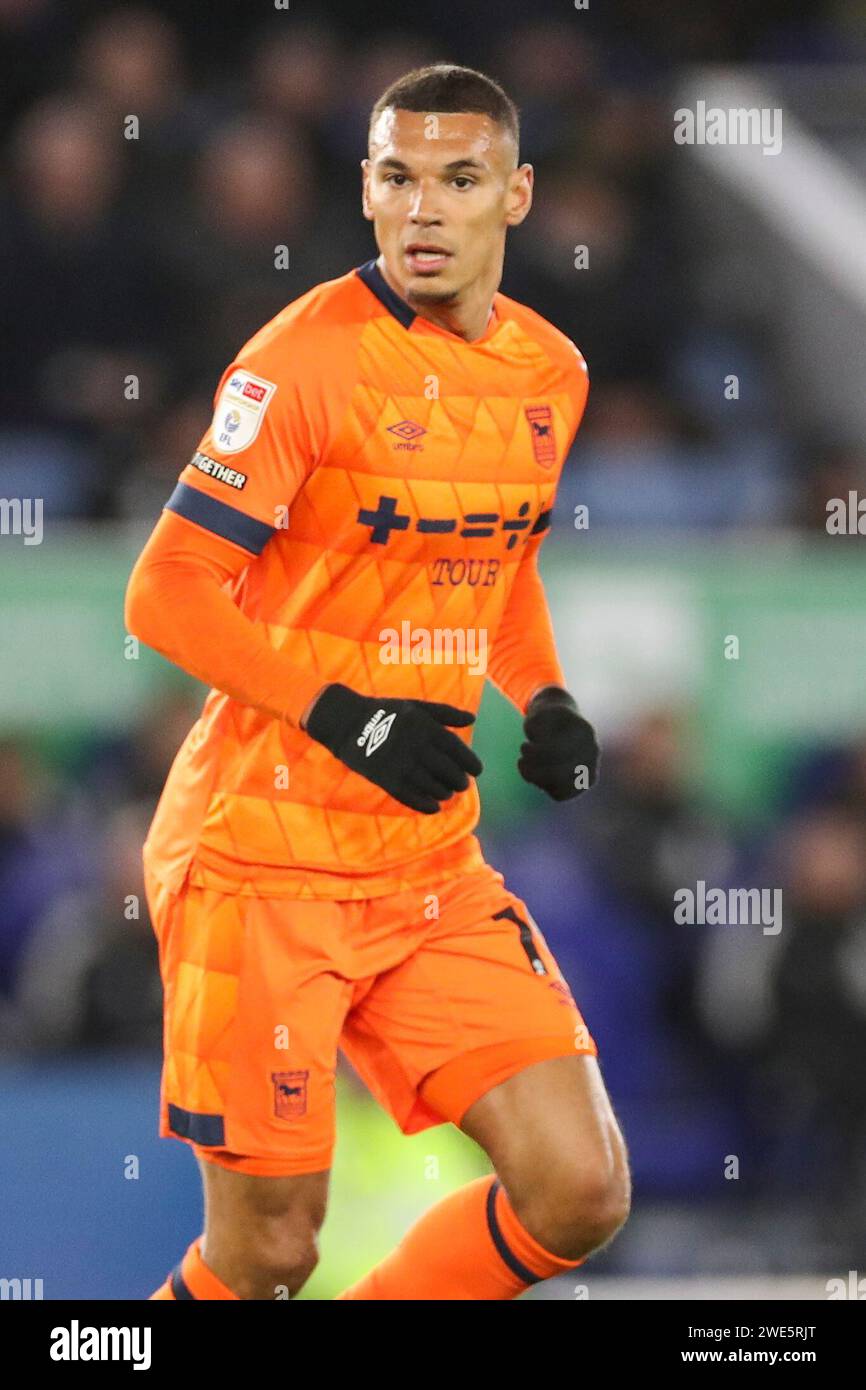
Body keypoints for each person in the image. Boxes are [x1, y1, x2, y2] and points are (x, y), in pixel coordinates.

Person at [125, 63, 630, 1301]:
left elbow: (497, 559)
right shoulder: (299, 361)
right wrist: (343, 717)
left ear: (514, 196)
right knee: (268, 1256)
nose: (423, 209)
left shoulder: (548, 373)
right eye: (397, 179)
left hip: (423, 866)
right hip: (261, 861)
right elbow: (166, 591)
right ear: (363, 191)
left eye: (457, 181)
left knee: (578, 1188)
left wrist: (546, 695)